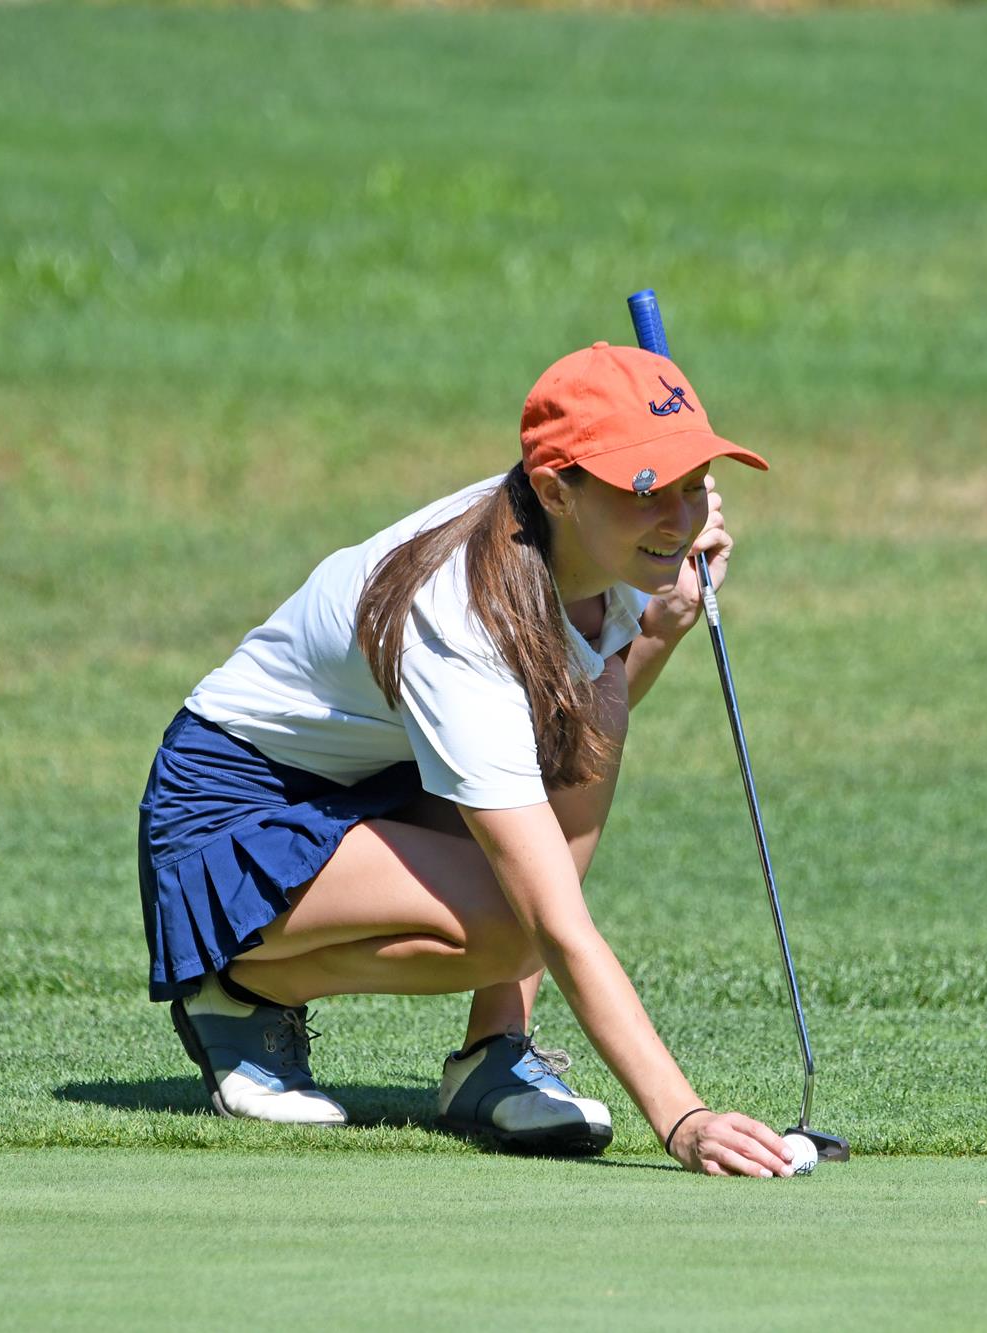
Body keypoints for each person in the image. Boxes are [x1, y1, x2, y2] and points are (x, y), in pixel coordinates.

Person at [136, 340, 799, 1178]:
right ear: (559, 488)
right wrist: (684, 1119)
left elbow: (574, 747)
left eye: (693, 482)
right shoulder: (462, 616)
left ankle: (493, 1055)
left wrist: (661, 625)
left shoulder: (610, 553)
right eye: (646, 489)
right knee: (515, 921)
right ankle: (243, 990)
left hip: (371, 787)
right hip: (230, 819)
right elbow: (555, 920)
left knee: (588, 715)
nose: (680, 517)